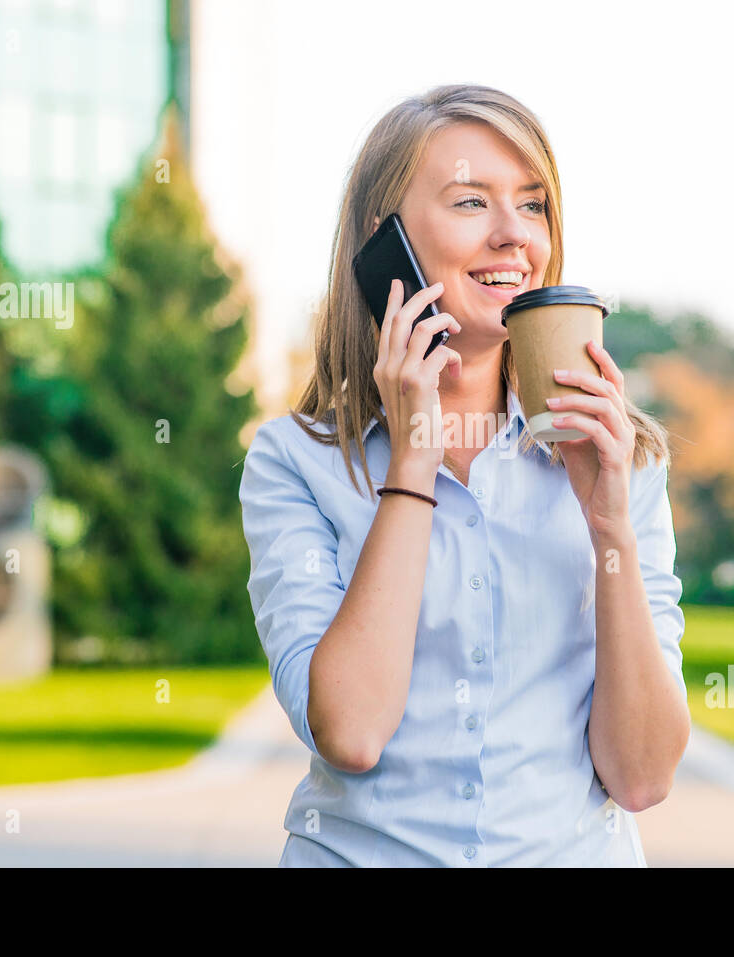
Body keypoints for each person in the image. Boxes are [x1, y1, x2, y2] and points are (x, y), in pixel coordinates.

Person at [239, 84, 689, 867]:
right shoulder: (295, 463)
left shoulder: (621, 458)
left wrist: (610, 525)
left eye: (534, 205)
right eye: (471, 201)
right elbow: (352, 730)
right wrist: (413, 462)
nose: (515, 237)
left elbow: (643, 773)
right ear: (387, 246)